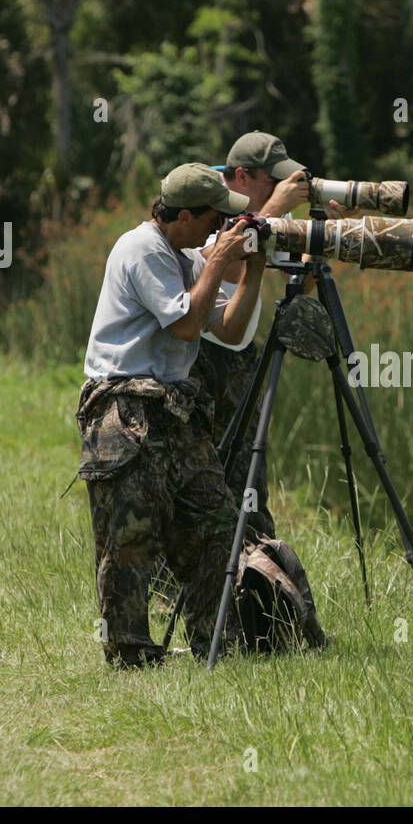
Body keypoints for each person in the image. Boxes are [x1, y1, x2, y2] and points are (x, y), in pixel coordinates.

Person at [76, 162, 265, 668]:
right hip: (124, 411)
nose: (219, 229)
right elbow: (186, 323)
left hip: (175, 412)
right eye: (214, 220)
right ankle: (130, 657)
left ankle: (214, 645)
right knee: (130, 542)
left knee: (218, 526)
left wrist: (252, 268)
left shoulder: (181, 256)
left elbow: (228, 328)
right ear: (184, 216)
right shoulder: (141, 249)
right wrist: (218, 260)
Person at [192, 131, 358, 537]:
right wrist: (275, 208)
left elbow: (298, 289)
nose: (287, 191)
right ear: (244, 177)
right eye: (276, 181)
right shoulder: (203, 206)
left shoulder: (266, 215)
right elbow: (222, 267)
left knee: (248, 475)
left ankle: (254, 576)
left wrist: (322, 239)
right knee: (194, 475)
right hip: (194, 360)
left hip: (240, 359)